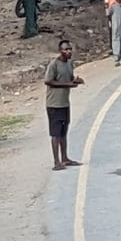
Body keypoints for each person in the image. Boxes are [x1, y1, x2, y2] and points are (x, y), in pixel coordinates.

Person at [44, 40, 83, 171]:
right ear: (60, 51)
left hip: (65, 103)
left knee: (64, 132)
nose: (69, 51)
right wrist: (67, 85)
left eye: (70, 49)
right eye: (66, 49)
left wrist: (76, 81)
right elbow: (48, 81)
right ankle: (56, 161)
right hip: (54, 104)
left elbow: (70, 78)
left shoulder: (70, 64)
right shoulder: (54, 65)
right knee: (55, 133)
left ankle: (65, 158)